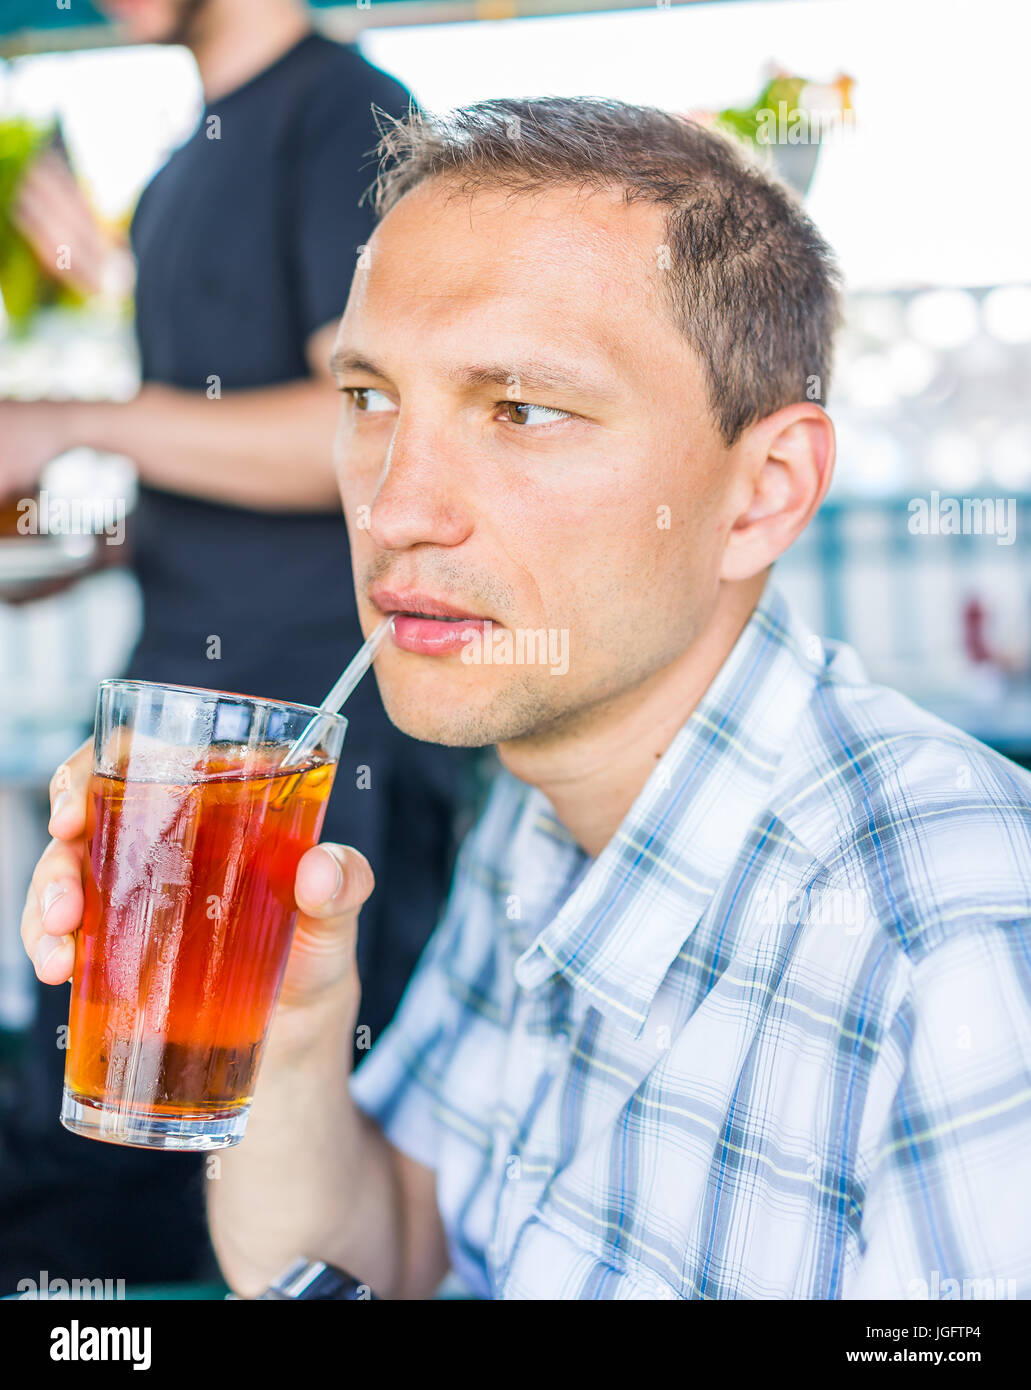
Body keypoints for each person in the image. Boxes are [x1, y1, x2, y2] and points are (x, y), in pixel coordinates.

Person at [22, 96, 1031, 1300]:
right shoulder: (538, 800)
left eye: (523, 411)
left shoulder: (954, 950)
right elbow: (394, 1244)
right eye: (367, 398)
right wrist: (287, 1032)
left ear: (761, 493)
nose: (393, 508)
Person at [1, 0, 478, 1289]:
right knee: (90, 1140)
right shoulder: (179, 162)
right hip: (166, 743)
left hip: (311, 756)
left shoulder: (348, 119)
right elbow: (214, 462)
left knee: (219, 1157)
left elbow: (372, 436)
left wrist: (69, 417)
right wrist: (96, 545)